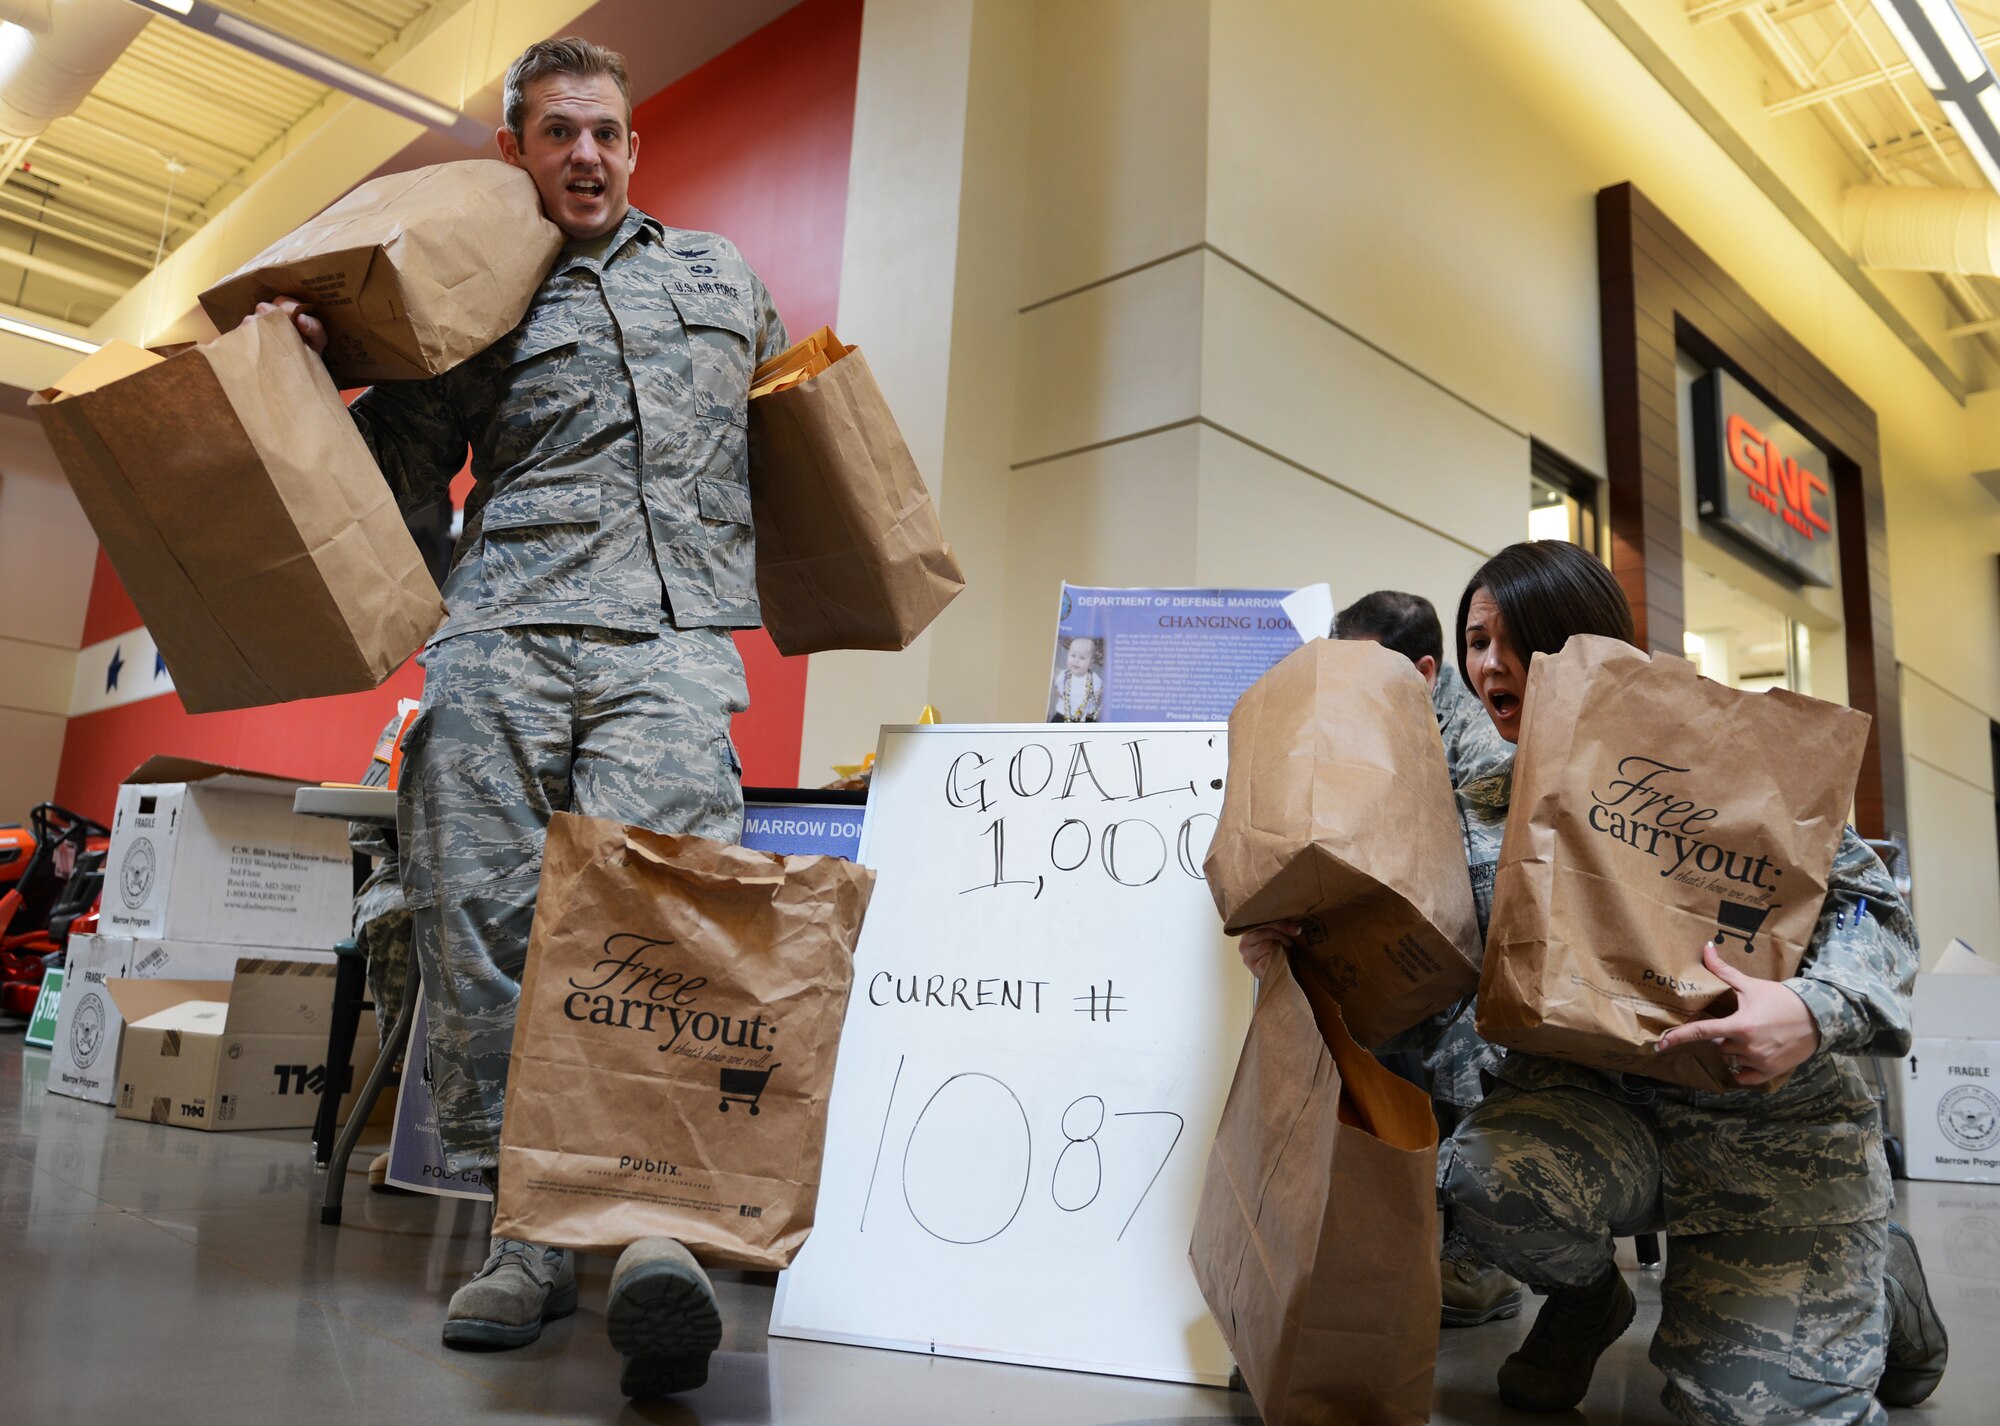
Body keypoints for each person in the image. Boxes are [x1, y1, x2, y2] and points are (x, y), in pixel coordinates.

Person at [258, 37, 786, 1398]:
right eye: (558, 133)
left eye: (607, 131)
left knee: (665, 929)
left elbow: (804, 446)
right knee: (480, 920)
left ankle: (651, 1220)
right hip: (502, 635)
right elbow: (396, 484)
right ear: (518, 150)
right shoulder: (469, 292)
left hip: (669, 652)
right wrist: (314, 381)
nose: (588, 156)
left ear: (634, 141)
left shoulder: (723, 277)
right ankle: (529, 1231)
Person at [1244, 541, 1948, 1425]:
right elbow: (1409, 961)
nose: (1490, 664)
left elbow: (1871, 915)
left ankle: (1877, 1268)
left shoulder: (1733, 758)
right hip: (1594, 1114)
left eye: (1519, 640)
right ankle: (1587, 1298)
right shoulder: (1470, 808)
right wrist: (1305, 951)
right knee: (1486, 1174)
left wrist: (1813, 1008)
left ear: (1590, 640)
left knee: (1755, 1414)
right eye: (1475, 642)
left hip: (1770, 1135)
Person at [1332, 589, 1518, 1329]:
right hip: (1409, 941)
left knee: (1472, 1025)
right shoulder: (1362, 721)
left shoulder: (1478, 741)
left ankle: (1483, 1249)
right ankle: (1375, 1221)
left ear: (1425, 669)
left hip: (1480, 956)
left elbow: (1486, 893)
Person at [1049, 635, 1104, 722]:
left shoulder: (1094, 679)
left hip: (1085, 718)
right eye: (1073, 656)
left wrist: (1099, 694)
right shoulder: (1063, 675)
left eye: (1082, 658)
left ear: (1091, 663)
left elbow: (1099, 694)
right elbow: (1057, 691)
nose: (1076, 660)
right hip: (1063, 715)